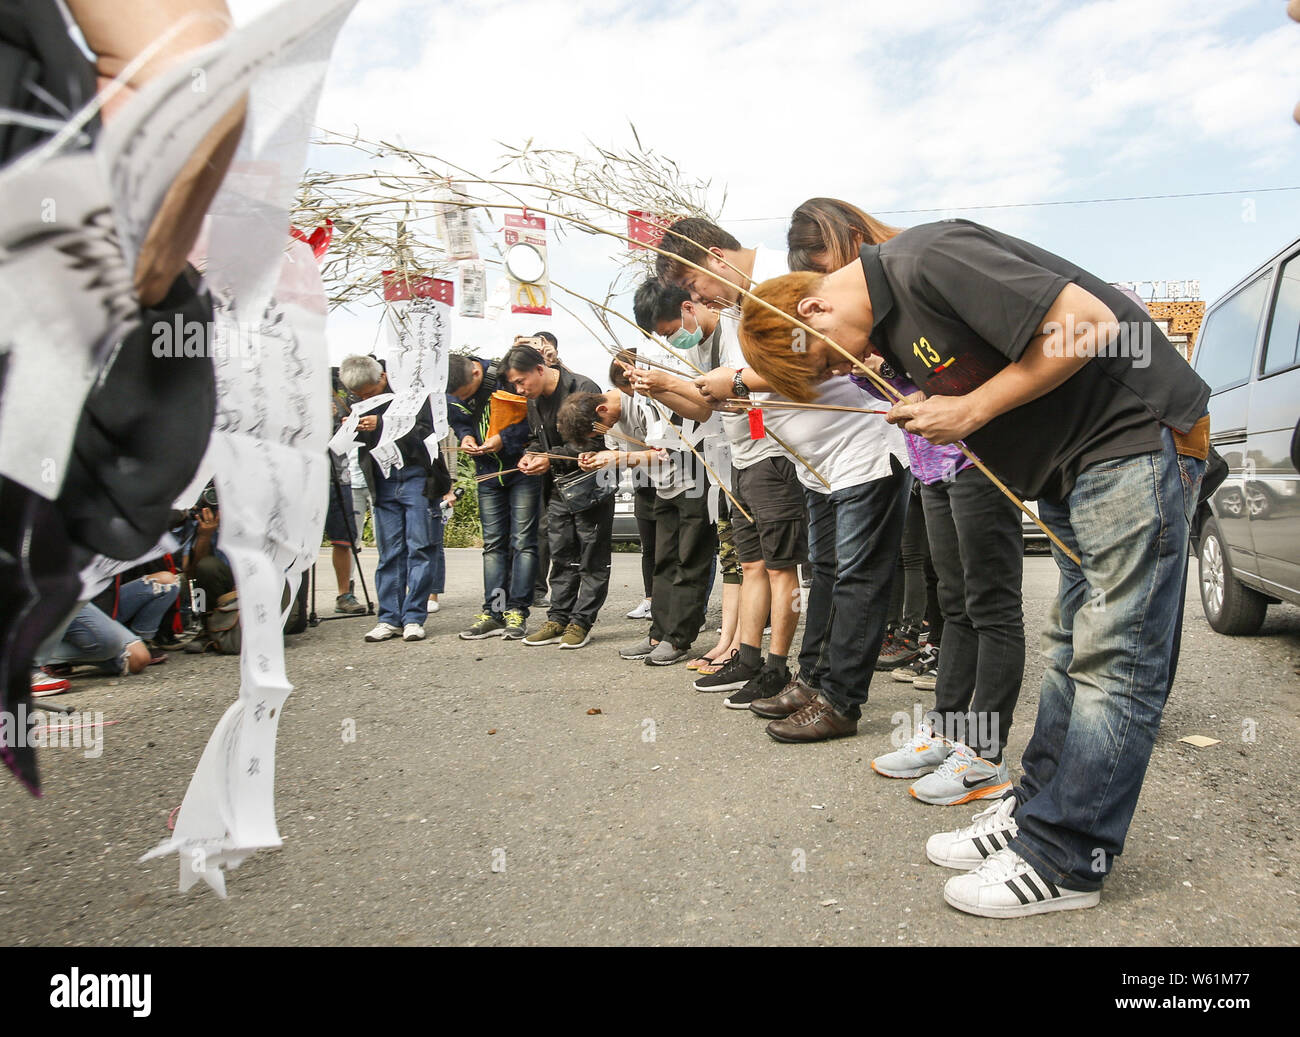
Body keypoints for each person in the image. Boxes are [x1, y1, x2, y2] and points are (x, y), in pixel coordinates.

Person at [737, 214, 1209, 919]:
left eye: (826, 362)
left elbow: (1086, 321)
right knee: (1072, 652)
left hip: (1131, 439)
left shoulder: (927, 258)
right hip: (1070, 467)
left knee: (1115, 660)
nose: (840, 374)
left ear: (813, 307)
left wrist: (971, 408)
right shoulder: (889, 328)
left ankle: (1069, 857)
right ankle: (1037, 811)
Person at [784, 197, 1025, 798]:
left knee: (992, 604)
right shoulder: (870, 317)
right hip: (931, 462)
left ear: (848, 242)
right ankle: (947, 729)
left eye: (826, 262)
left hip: (979, 452)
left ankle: (984, 753)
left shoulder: (921, 278)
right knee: (955, 599)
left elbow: (974, 366)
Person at [651, 218, 809, 707]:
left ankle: (780, 666)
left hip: (775, 452)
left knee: (783, 567)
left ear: (715, 257)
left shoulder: (778, 285)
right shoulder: (731, 313)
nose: (699, 300)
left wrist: (735, 383)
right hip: (741, 456)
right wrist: (665, 386)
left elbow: (800, 367)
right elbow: (706, 407)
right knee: (752, 562)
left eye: (694, 289)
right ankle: (748, 656)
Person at [559, 369, 715, 666]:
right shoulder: (614, 419)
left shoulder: (644, 400)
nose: (604, 434)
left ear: (602, 409)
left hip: (694, 479)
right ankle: (658, 633)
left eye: (598, 429)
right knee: (663, 560)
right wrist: (598, 462)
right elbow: (623, 458)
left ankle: (679, 638)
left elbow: (666, 452)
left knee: (689, 560)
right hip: (663, 486)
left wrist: (618, 458)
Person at [633, 279, 742, 667]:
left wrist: (667, 382)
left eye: (668, 330)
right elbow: (683, 404)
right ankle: (657, 630)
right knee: (663, 549)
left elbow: (707, 406)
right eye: (660, 335)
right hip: (671, 455)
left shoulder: (721, 334)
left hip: (708, 456)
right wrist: (653, 388)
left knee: (691, 549)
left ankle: (679, 635)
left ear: (686, 308)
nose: (669, 339)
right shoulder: (662, 346)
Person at [507, 344, 614, 650]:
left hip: (591, 486)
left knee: (592, 557)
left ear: (540, 369)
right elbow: (533, 439)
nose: (519, 388)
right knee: (561, 554)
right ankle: (558, 617)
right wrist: (529, 456)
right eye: (514, 384)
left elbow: (595, 441)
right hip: (557, 488)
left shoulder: (582, 387)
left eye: (520, 381)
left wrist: (549, 457)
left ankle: (581, 622)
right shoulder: (533, 400)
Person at [339, 354, 438, 644]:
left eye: (369, 394)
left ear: (383, 377)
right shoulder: (353, 399)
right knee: (389, 551)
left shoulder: (413, 391)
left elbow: (427, 433)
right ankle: (388, 617)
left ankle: (414, 617)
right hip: (380, 480)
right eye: (359, 395)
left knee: (419, 547)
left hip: (415, 475)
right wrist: (349, 427)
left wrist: (382, 423)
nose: (364, 398)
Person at [447, 352, 538, 640]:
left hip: (522, 469)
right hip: (486, 474)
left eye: (467, 394)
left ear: (476, 372)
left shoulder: (508, 377)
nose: (463, 400)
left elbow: (533, 420)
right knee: (493, 545)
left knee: (523, 542)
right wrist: (465, 437)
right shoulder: (453, 392)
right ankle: (494, 611)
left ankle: (517, 611)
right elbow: (458, 418)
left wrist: (504, 439)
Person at [326, 381, 366, 615]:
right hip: (306, 477)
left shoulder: (342, 400)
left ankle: (345, 594)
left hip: (339, 476)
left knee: (343, 539)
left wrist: (346, 424)